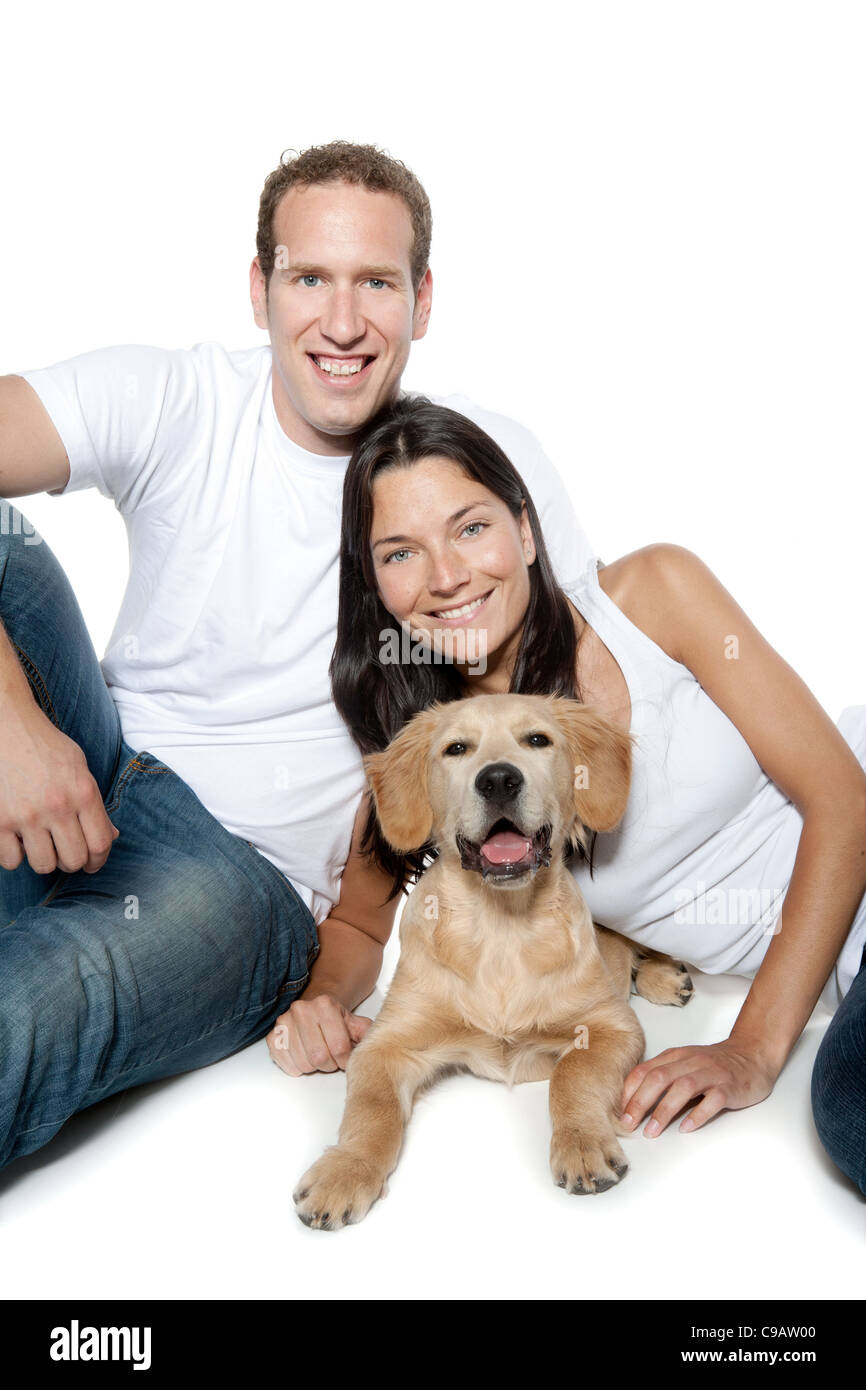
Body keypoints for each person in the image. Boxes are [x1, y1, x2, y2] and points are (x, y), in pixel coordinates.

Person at [0, 141, 593, 1170]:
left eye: (377, 282)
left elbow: (549, 727)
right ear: (258, 289)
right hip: (78, 764)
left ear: (423, 299)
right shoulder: (178, 396)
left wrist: (330, 986)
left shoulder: (473, 483)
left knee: (44, 1001)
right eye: (308, 277)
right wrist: (14, 723)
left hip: (238, 875)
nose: (342, 321)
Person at [318, 394, 866, 1195]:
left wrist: (750, 1049)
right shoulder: (431, 751)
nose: (447, 576)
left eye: (472, 527)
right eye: (401, 553)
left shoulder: (650, 595)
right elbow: (359, 922)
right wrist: (321, 1009)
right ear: (376, 584)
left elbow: (846, 802)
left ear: (526, 532)